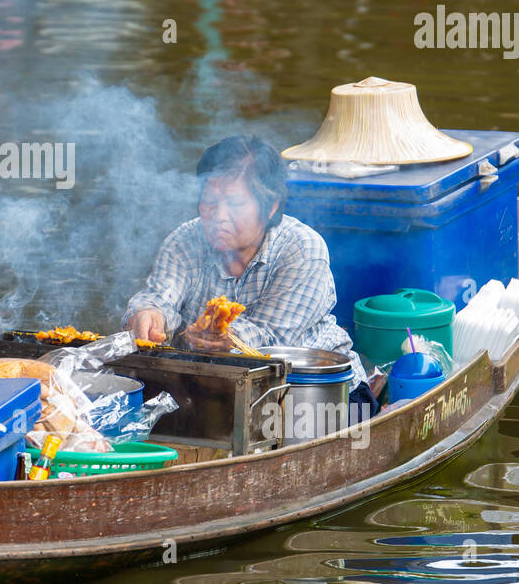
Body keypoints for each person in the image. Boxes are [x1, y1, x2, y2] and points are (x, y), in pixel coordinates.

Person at [124, 134, 376, 412]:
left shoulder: (302, 249)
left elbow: (272, 341)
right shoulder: (184, 241)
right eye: (209, 202)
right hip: (217, 391)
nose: (219, 216)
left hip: (314, 394)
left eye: (235, 204)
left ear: (271, 206)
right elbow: (160, 295)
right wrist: (150, 314)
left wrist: (223, 338)